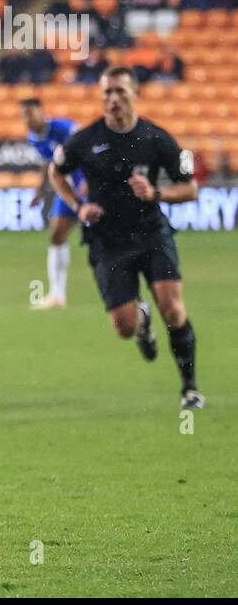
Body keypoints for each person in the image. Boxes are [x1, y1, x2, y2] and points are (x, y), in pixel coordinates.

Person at [49, 68, 203, 409]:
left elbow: (190, 187)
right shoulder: (85, 139)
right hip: (107, 241)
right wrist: (78, 205)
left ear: (135, 93)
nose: (112, 99)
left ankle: (189, 388)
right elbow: (55, 172)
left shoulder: (157, 138)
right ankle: (142, 322)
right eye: (107, 93)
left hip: (151, 232)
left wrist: (156, 193)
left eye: (119, 91)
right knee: (124, 326)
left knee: (173, 309)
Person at [20, 98, 81, 308]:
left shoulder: (63, 127)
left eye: (30, 112)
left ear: (41, 112)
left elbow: (86, 144)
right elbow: (49, 162)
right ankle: (57, 295)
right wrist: (39, 189)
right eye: (24, 114)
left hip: (88, 185)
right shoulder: (34, 138)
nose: (27, 118)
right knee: (56, 234)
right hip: (67, 189)